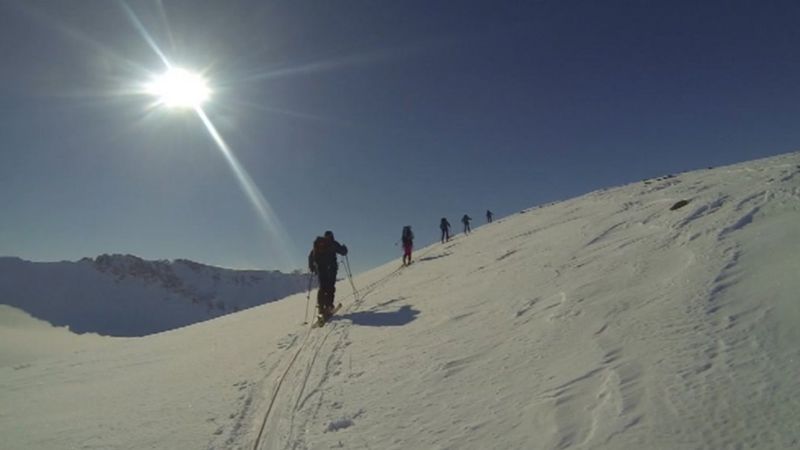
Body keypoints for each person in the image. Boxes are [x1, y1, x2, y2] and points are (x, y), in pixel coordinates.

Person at [308, 230, 348, 321]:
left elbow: (311, 256)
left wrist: (312, 267)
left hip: (321, 269)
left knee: (322, 287)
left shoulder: (318, 244)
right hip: (331, 269)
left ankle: (321, 308)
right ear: (332, 236)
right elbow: (343, 252)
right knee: (330, 287)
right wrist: (345, 248)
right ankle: (329, 306)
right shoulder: (333, 243)